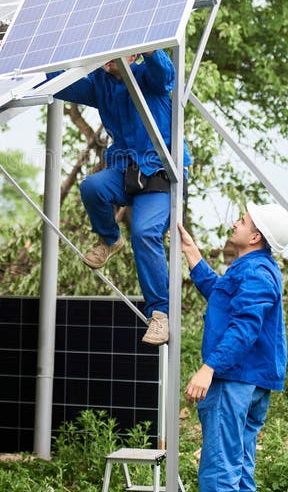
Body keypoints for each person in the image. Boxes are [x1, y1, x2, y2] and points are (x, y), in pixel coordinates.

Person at [177, 202, 288, 492]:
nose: (236, 221)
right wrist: (193, 257)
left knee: (219, 471)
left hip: (236, 381)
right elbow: (222, 296)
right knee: (239, 471)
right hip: (250, 380)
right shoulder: (249, 269)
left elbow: (245, 326)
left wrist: (209, 368)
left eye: (242, 220)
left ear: (256, 236)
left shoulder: (258, 273)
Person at [54, 50, 191, 346]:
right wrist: (26, 60)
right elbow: (59, 84)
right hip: (127, 170)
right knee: (92, 187)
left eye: (118, 53)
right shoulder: (101, 83)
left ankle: (160, 315)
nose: (109, 59)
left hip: (162, 171)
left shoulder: (147, 77)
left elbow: (166, 74)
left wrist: (149, 46)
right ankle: (109, 239)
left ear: (132, 58)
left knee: (144, 232)